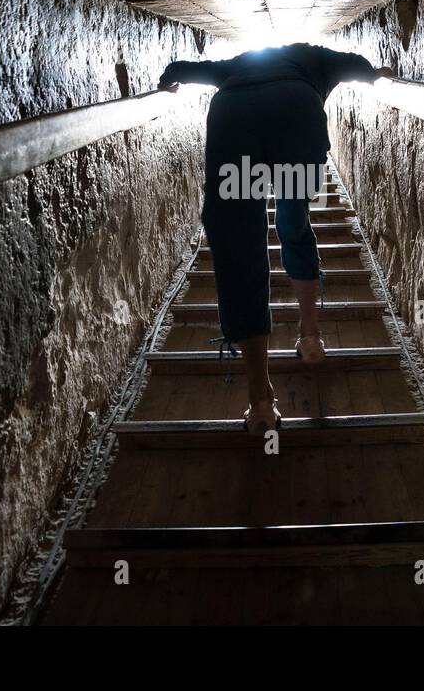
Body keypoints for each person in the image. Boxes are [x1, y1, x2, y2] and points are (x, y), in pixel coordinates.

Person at [157, 43, 394, 434]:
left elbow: (183, 67)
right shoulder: (311, 56)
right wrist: (377, 74)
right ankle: (312, 337)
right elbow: (355, 65)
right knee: (292, 218)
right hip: (296, 114)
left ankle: (261, 400)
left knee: (240, 245)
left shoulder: (236, 64)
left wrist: (168, 81)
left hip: (233, 116)